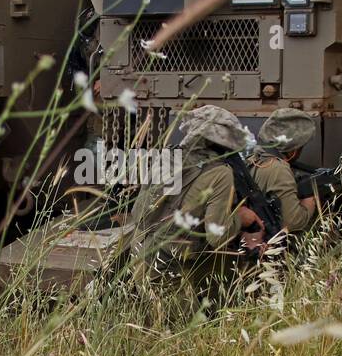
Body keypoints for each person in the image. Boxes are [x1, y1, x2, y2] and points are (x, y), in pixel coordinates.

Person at [127, 105, 266, 287]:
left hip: (139, 255)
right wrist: (240, 218)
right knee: (186, 316)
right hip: (168, 265)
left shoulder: (169, 154)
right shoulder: (220, 173)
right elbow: (217, 237)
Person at [249, 108, 318, 236]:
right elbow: (292, 223)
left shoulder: (254, 158)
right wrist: (310, 200)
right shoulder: (279, 169)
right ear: (294, 148)